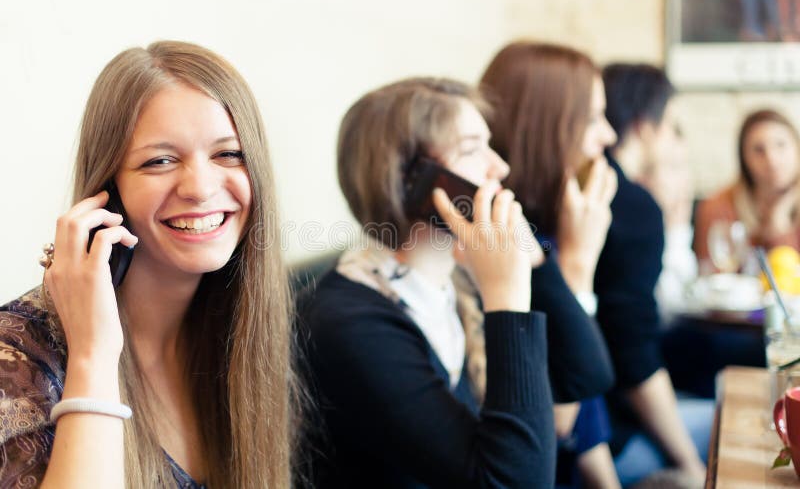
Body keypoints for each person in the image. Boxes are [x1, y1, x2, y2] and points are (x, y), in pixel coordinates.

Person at [0, 41, 298, 488]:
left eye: (228, 154)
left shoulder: (238, 329)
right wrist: (93, 356)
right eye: (160, 161)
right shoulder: (17, 358)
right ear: (107, 190)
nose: (200, 188)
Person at [301, 77, 613, 488]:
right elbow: (515, 481)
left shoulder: (453, 280)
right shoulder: (348, 322)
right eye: (471, 149)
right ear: (414, 179)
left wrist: (532, 260)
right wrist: (506, 296)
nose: (499, 167)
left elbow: (588, 375)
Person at [480, 42, 708, 487]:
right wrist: (578, 266)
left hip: (590, 445)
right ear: (544, 126)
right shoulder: (505, 231)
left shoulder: (557, 211)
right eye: (591, 119)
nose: (608, 135)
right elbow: (560, 416)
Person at [602, 63, 697, 316]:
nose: (674, 139)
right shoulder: (635, 204)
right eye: (670, 125)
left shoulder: (598, 184)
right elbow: (639, 329)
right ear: (644, 127)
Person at [694, 109, 800, 269]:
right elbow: (710, 274)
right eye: (758, 150)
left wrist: (779, 224)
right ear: (744, 160)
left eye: (781, 145)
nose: (772, 159)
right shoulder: (717, 208)